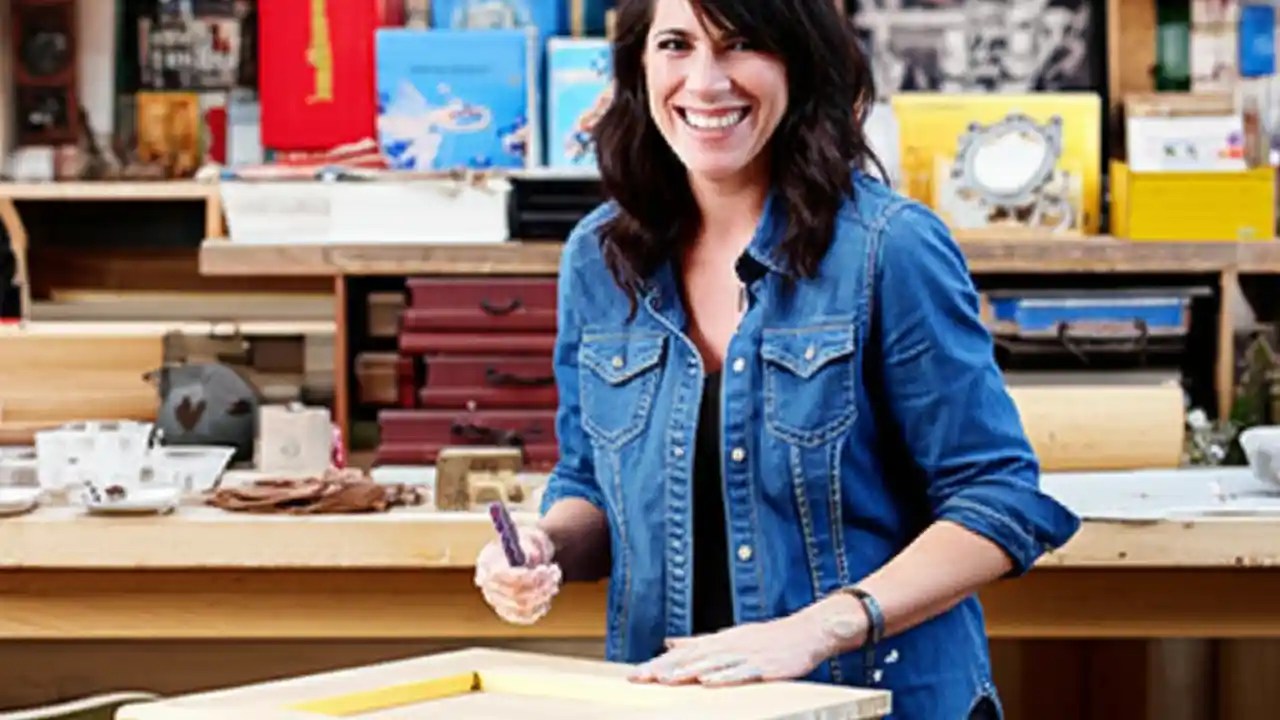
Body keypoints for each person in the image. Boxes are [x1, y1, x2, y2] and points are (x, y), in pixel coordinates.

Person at [473, 0, 1082, 717]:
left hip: (875, 700)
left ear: (799, 62)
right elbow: (591, 483)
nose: (705, 81)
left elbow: (998, 499)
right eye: (676, 44)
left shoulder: (890, 248)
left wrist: (814, 631)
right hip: (678, 703)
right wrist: (545, 545)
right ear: (639, 66)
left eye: (741, 46)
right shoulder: (601, 259)